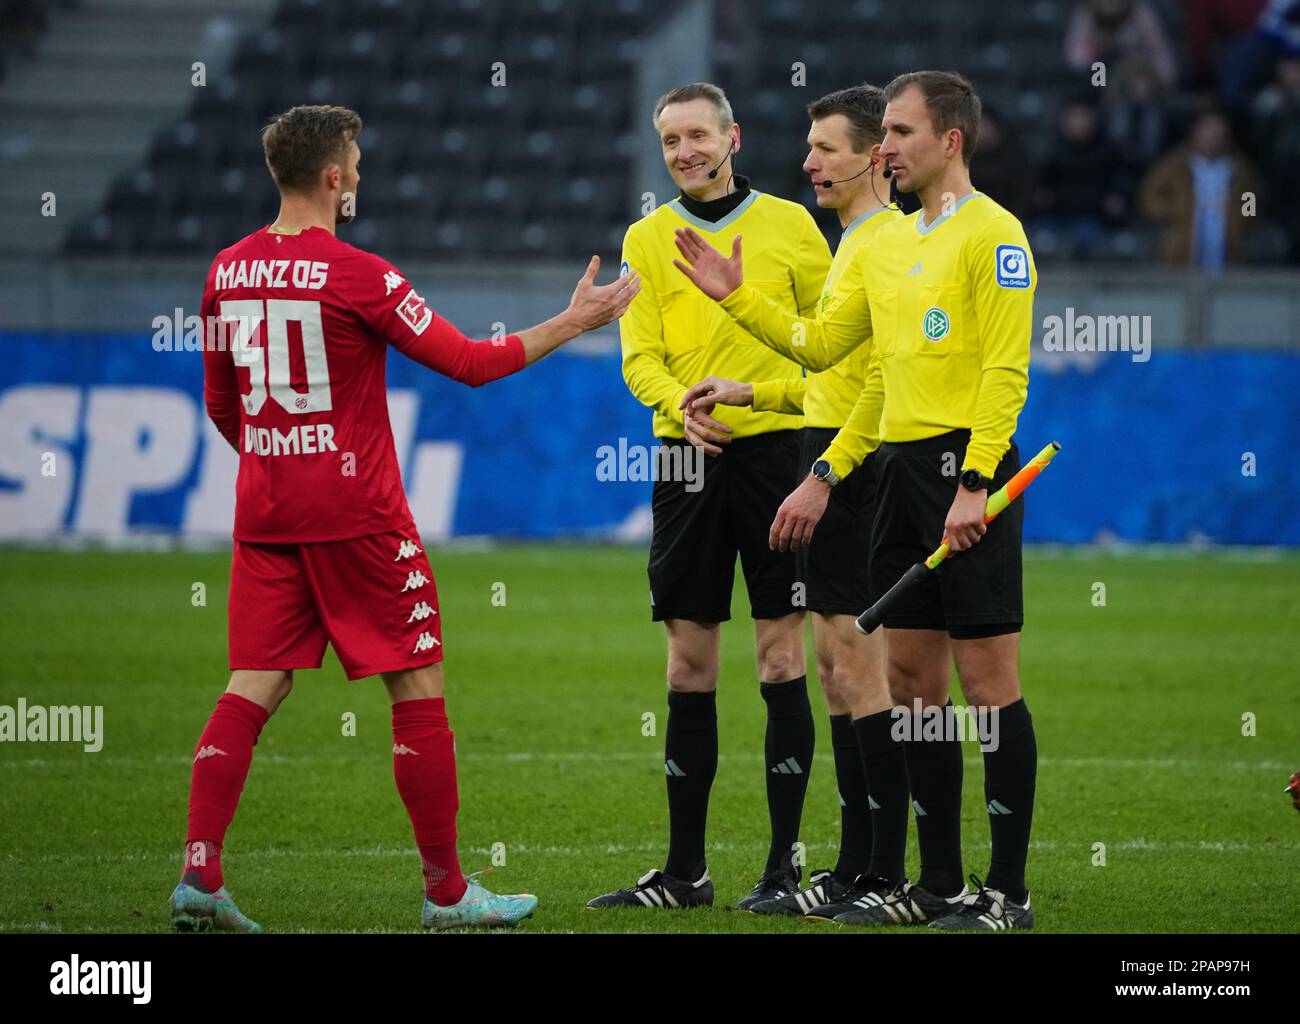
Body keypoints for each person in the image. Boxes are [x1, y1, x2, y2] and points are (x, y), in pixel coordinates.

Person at [172, 104, 637, 932]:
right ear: (333, 177)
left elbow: (221, 405)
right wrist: (577, 319)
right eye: (354, 164)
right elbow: (471, 362)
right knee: (416, 687)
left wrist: (285, 463)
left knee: (254, 683)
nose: (360, 175)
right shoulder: (359, 274)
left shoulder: (226, 270)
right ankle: (447, 893)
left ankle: (199, 873)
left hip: (267, 514)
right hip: (360, 519)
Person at [674, 71, 1041, 930]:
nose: (888, 149)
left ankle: (1009, 893)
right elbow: (839, 358)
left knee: (988, 684)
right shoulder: (890, 242)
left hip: (967, 472)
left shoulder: (996, 233)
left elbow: (1005, 372)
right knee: (911, 685)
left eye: (902, 133)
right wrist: (740, 300)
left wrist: (974, 483)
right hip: (898, 476)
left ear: (950, 140)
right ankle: (937, 884)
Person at [587, 82, 831, 911]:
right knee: (688, 664)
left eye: (698, 135)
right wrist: (677, 407)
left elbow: (829, 347)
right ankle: (685, 873)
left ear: (733, 137)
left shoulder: (793, 227)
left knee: (780, 658)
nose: (685, 151)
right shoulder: (646, 238)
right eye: (670, 140)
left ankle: (783, 871)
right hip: (684, 462)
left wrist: (767, 400)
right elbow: (639, 355)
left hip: (777, 458)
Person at [677, 84, 909, 921]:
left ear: (873, 157)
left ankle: (884, 874)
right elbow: (828, 368)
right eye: (809, 147)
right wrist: (756, 388)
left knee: (861, 671)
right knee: (837, 673)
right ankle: (853, 869)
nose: (808, 162)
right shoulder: (854, 241)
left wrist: (826, 474)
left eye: (825, 149)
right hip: (831, 450)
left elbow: (880, 382)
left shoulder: (885, 244)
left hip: (858, 467)